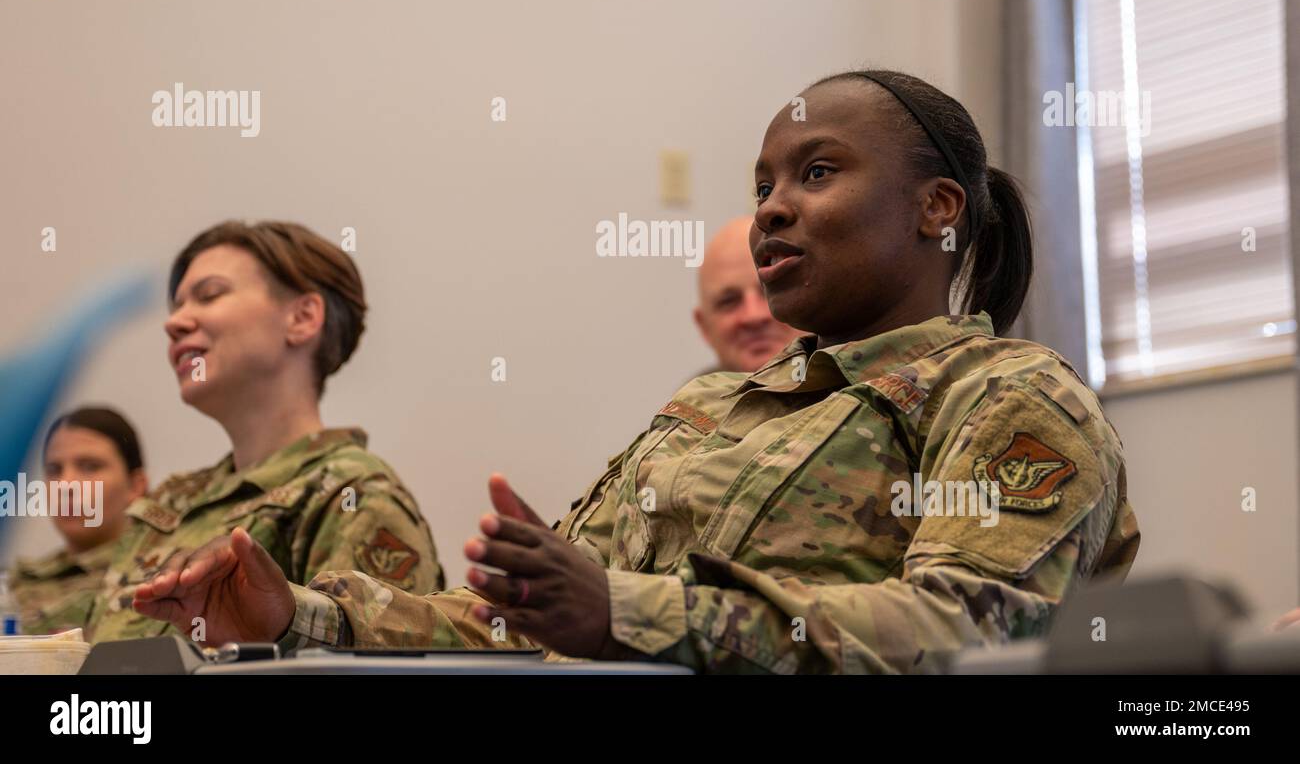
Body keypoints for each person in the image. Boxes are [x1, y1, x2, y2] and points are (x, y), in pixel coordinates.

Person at [134, 71, 1140, 673]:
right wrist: (302, 615)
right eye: (761, 187)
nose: (771, 210)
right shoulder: (710, 407)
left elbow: (972, 636)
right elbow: (516, 625)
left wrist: (627, 612)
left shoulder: (1006, 393)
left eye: (816, 173)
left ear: (938, 208)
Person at [85, 220, 443, 642]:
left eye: (210, 294)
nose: (175, 322)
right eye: (176, 306)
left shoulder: (353, 497)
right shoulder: (170, 502)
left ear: (302, 318)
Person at [9, 407, 148, 634]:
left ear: (135, 485)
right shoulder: (12, 588)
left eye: (90, 466)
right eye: (54, 470)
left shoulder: (168, 579)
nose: (66, 485)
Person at [692, 216, 803, 375]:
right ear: (704, 327)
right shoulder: (689, 399)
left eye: (770, 290)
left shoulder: (851, 393)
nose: (753, 316)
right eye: (729, 301)